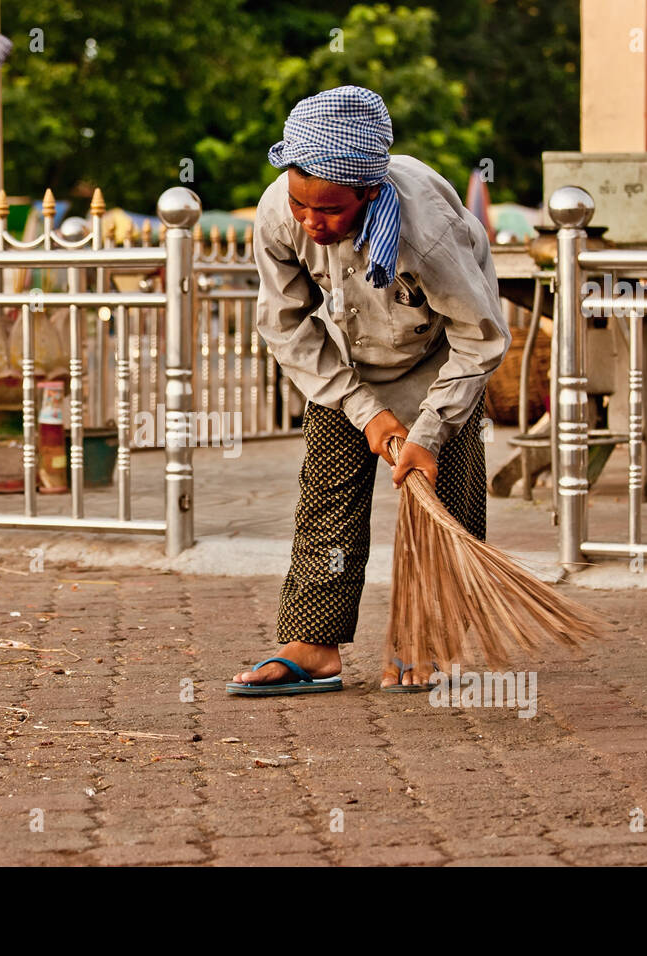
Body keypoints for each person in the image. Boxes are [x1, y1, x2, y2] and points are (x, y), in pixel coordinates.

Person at [228, 86, 510, 695]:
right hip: (347, 364)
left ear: (369, 192)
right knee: (327, 499)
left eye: (328, 210)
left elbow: (480, 338)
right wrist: (366, 412)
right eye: (302, 203)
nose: (310, 220)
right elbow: (283, 323)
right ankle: (315, 643)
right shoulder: (281, 211)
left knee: (445, 510)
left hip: (442, 359)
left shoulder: (426, 235)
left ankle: (432, 641)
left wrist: (428, 434)